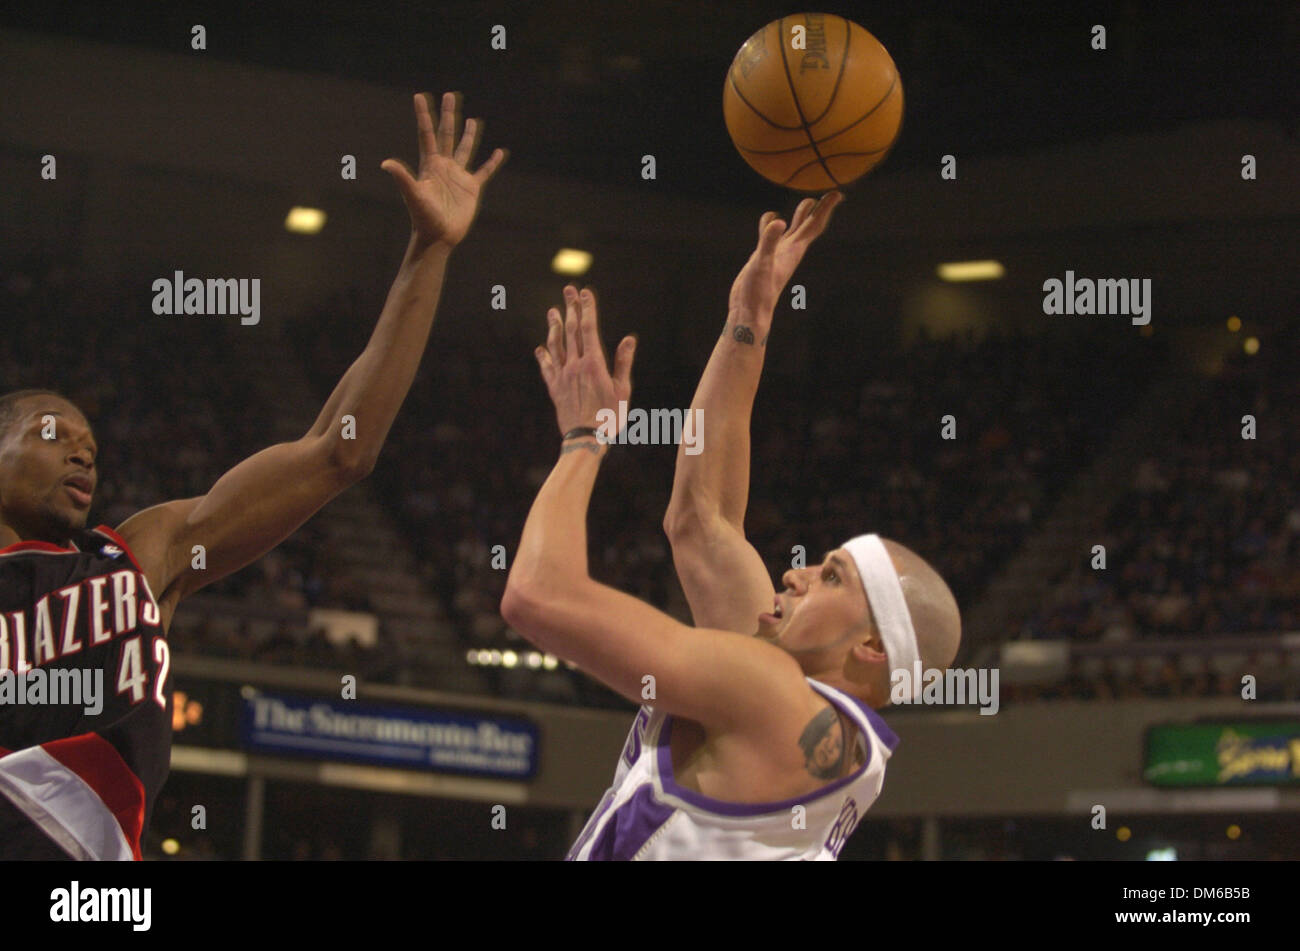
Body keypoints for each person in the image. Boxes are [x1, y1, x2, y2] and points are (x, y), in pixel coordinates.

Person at [0, 92, 504, 860]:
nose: (82, 450)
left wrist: (428, 251)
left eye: (91, 441)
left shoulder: (139, 557)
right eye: (52, 431)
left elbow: (341, 450)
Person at [502, 196, 960, 859]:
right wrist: (749, 321)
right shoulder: (809, 712)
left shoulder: (774, 697)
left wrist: (582, 439)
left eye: (831, 575)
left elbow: (539, 597)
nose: (794, 572)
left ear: (870, 647)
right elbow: (702, 519)